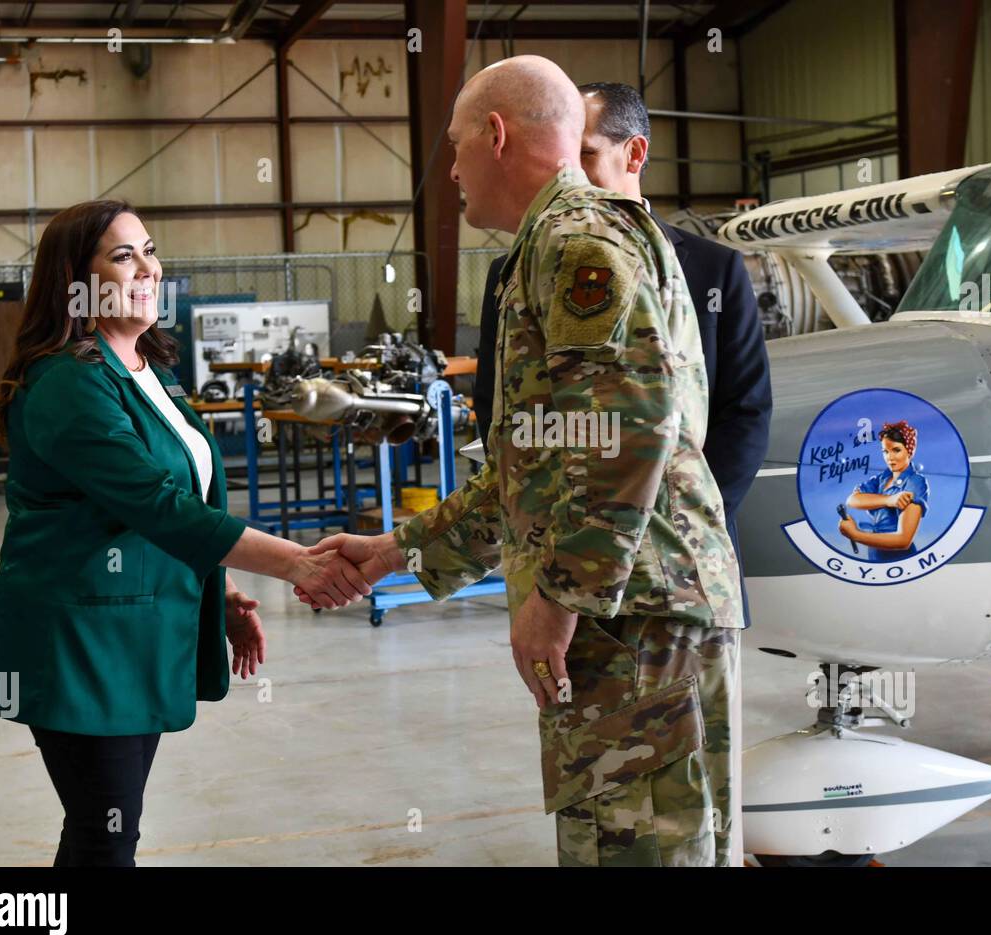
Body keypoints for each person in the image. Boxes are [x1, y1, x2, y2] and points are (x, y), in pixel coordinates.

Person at [302, 54, 743, 867]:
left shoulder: (574, 243)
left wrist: (562, 592)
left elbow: (628, 427)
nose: (454, 171)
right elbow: (539, 465)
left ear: (497, 135)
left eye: (457, 146)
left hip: (631, 618)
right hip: (635, 609)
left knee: (638, 850)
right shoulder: (556, 244)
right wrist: (396, 552)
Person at [0, 199, 372, 866]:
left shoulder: (151, 372)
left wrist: (216, 599)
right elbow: (160, 506)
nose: (148, 268)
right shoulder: (69, 383)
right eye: (122, 255)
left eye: (150, 250)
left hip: (134, 631)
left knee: (106, 832)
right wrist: (298, 564)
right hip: (79, 643)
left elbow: (178, 504)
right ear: (74, 280)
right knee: (105, 835)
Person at [474, 80, 771, 627]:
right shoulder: (514, 269)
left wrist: (681, 518)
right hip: (560, 561)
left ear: (634, 152)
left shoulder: (714, 268)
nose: (569, 173)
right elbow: (505, 421)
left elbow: (744, 411)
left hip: (663, 567)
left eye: (585, 154)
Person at [839, 420, 929, 560]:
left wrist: (855, 535)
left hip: (900, 558)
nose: (890, 457)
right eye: (885, 451)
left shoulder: (915, 482)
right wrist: (890, 500)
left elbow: (903, 541)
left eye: (896, 450)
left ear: (909, 451)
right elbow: (853, 500)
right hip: (875, 553)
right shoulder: (882, 478)